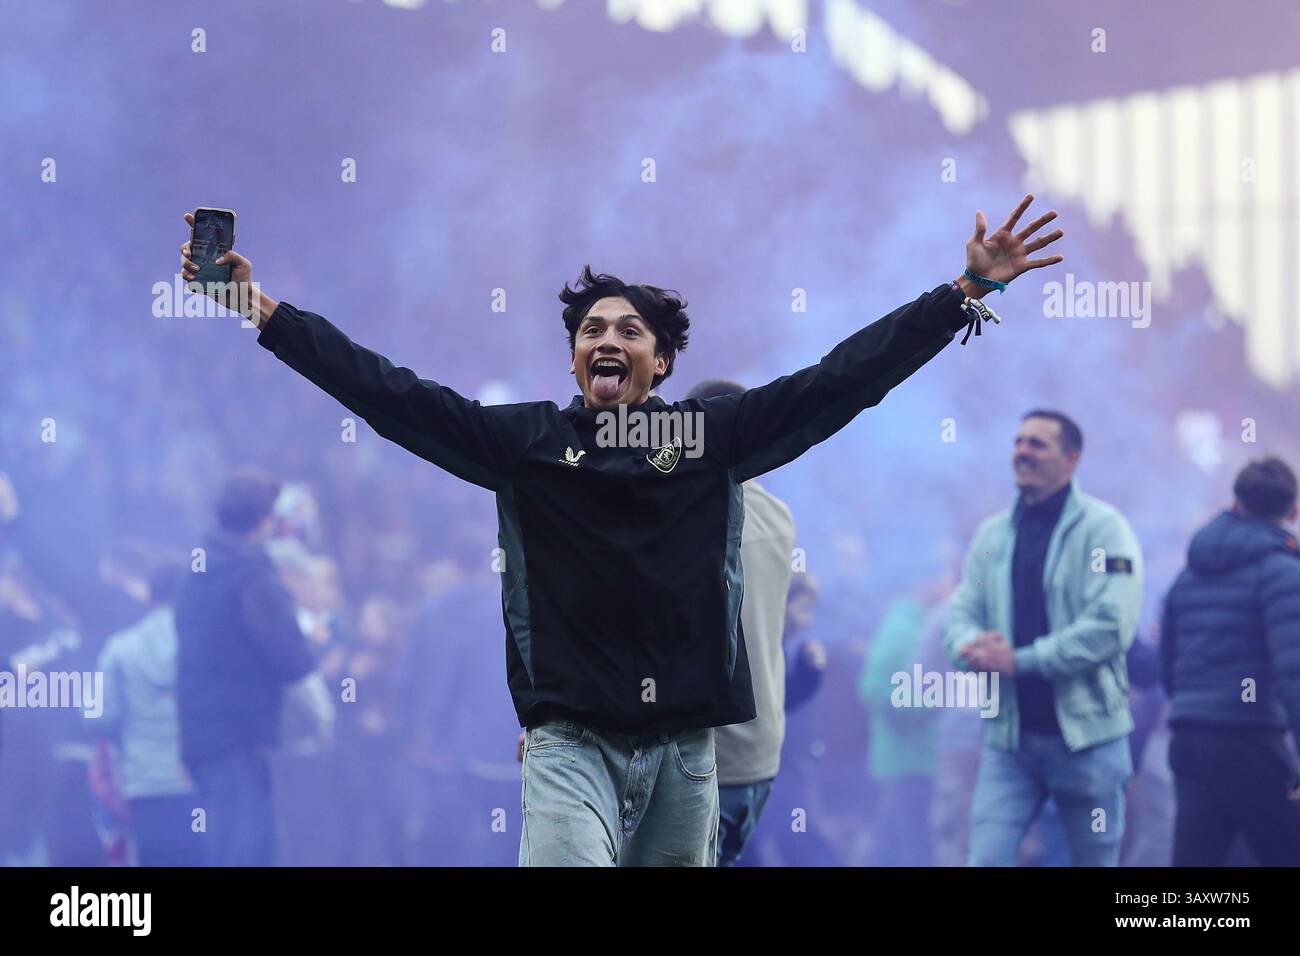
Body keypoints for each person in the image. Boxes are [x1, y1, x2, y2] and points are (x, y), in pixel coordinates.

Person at [179, 195, 1065, 867]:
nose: (608, 337)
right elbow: (385, 391)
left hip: (686, 753)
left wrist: (964, 293)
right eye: (591, 328)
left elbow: (841, 380)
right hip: (570, 745)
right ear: (574, 358)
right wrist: (260, 309)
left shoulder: (708, 439)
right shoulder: (527, 442)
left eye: (628, 329)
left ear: (662, 361)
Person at [944, 411, 1143, 866]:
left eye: (1037, 444)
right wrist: (968, 647)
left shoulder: (1106, 530)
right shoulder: (993, 534)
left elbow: (1111, 627)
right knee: (984, 861)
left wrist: (1021, 661)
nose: (1022, 452)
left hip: (1089, 743)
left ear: (1071, 459)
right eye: (1018, 442)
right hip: (1010, 743)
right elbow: (962, 611)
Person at [174, 468, 318, 866]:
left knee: (222, 844)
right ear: (263, 520)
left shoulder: (198, 573)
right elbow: (295, 660)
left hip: (202, 734)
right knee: (248, 849)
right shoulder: (251, 576)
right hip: (240, 735)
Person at [1160, 455, 1300, 865]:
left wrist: (1194, 708)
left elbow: (1169, 663)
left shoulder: (1188, 574)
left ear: (1235, 502)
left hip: (1189, 736)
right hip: (1249, 737)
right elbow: (1293, 669)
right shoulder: (1284, 573)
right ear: (1293, 511)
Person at [90, 563, 201, 866]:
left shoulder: (118, 647)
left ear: (150, 598)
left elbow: (98, 715)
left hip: (144, 785)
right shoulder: (205, 645)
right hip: (198, 782)